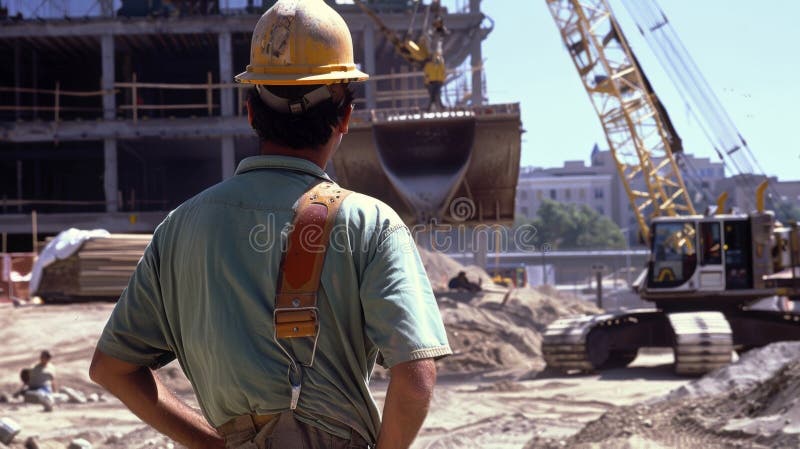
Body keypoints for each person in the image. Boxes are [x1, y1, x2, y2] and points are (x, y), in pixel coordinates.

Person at [89, 2, 451, 449]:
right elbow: (415, 381)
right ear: (345, 118)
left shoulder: (178, 227)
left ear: (251, 112)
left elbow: (111, 367)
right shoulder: (371, 223)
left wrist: (212, 444)